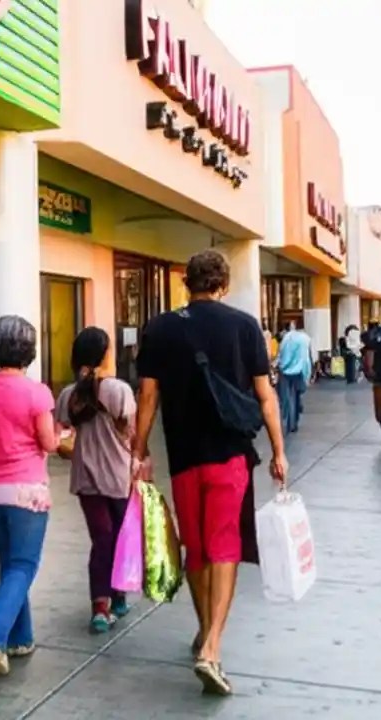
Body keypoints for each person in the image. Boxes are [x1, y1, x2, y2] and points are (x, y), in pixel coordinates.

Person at [131, 250, 287, 696]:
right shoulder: (244, 326)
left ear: (186, 281)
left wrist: (138, 451)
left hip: (184, 456)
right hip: (230, 454)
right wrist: (278, 450)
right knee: (224, 548)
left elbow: (147, 397)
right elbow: (266, 396)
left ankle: (204, 633)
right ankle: (212, 647)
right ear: (224, 284)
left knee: (196, 548)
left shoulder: (160, 328)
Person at [0, 315, 59, 677]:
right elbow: (48, 442)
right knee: (23, 566)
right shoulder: (37, 393)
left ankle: (22, 638)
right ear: (30, 351)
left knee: (11, 563)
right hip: (26, 492)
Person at [54, 327, 136, 634]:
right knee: (118, 538)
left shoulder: (67, 395)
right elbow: (131, 431)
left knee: (102, 539)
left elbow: (61, 431)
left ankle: (103, 603)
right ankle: (113, 599)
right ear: (105, 355)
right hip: (118, 476)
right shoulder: (119, 391)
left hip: (86, 479)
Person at [275, 320, 313, 434]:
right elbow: (307, 358)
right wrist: (308, 374)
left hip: (285, 372)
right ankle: (294, 421)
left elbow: (281, 354)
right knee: (296, 396)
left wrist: (279, 365)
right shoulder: (305, 339)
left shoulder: (286, 338)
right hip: (299, 371)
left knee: (286, 396)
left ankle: (288, 420)